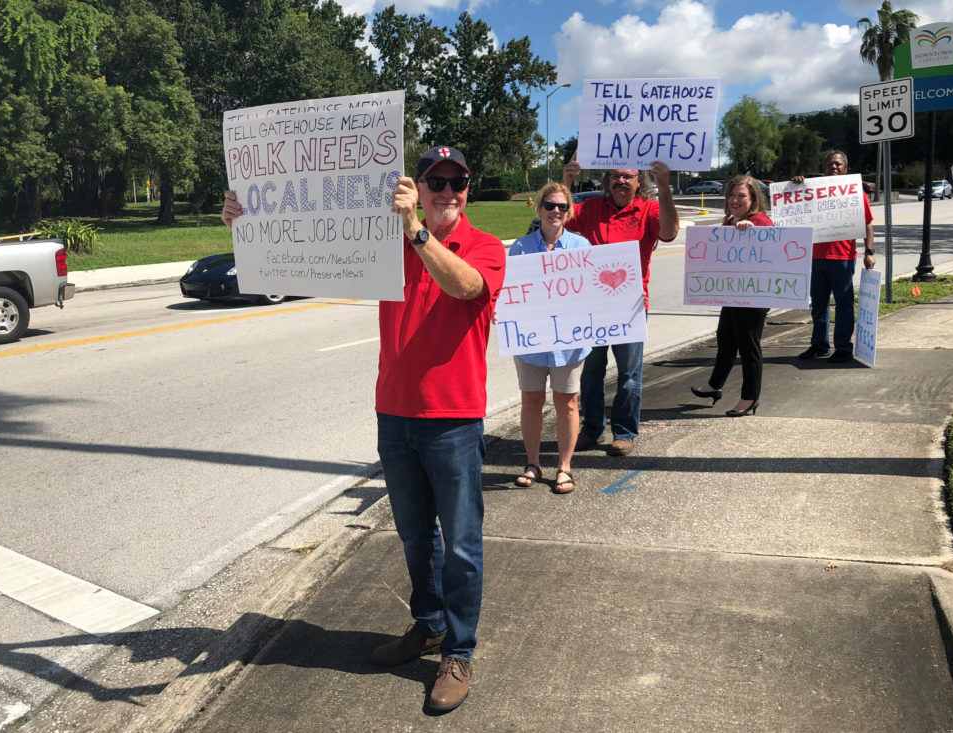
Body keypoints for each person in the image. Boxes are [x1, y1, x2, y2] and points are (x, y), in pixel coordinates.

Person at [222, 145, 505, 714]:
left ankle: (458, 651)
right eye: (437, 181)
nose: (448, 191)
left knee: (463, 546)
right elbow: (308, 252)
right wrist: (248, 225)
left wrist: (416, 234)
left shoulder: (484, 246)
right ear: (419, 188)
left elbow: (465, 287)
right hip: (394, 415)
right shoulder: (383, 245)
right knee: (413, 535)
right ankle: (426, 626)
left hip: (452, 420)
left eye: (458, 181)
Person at [561, 153, 679, 456]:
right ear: (607, 180)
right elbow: (557, 220)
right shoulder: (590, 209)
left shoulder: (649, 209)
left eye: (628, 176)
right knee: (590, 373)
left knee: (628, 374)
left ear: (638, 181)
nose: (621, 180)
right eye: (615, 175)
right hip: (592, 305)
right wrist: (567, 181)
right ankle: (592, 429)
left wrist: (664, 188)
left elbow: (668, 233)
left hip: (630, 306)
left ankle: (624, 431)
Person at [508, 182, 591, 494]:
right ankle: (532, 462)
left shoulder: (582, 247)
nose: (556, 211)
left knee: (567, 402)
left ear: (569, 212)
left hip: (569, 344)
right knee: (531, 401)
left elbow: (592, 293)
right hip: (530, 341)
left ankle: (564, 466)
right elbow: (511, 290)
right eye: (550, 205)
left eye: (562, 207)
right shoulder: (520, 247)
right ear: (538, 208)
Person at [690, 176, 773, 417]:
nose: (735, 200)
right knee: (726, 340)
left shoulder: (759, 221)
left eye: (741, 196)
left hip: (754, 295)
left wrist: (752, 230)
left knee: (749, 346)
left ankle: (749, 397)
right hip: (733, 292)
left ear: (753, 199)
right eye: (732, 195)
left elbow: (772, 245)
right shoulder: (729, 221)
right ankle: (714, 386)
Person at [793, 151, 876, 363]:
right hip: (815, 256)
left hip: (842, 257)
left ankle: (843, 347)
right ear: (823, 168)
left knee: (844, 304)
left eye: (838, 164)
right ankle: (819, 345)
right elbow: (794, 209)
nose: (834, 167)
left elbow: (867, 223)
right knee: (818, 305)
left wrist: (869, 252)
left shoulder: (854, 193)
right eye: (829, 164)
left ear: (846, 169)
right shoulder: (810, 192)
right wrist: (796, 186)